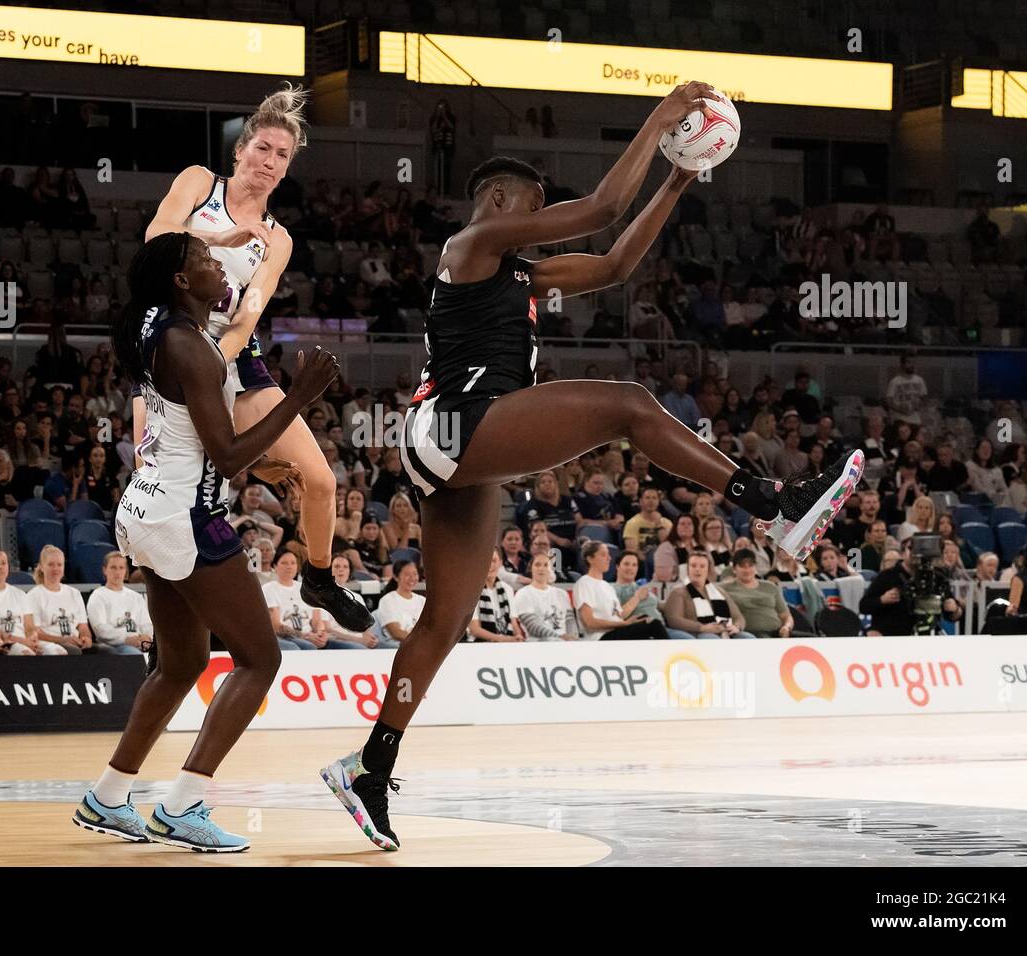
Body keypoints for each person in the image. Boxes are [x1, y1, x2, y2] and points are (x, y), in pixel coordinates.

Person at [320, 89, 866, 848]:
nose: (541, 224)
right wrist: (664, 114)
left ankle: (369, 769)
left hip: (455, 453)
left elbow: (613, 263)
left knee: (443, 624)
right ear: (504, 201)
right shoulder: (471, 247)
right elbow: (605, 205)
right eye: (536, 209)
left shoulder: (524, 277)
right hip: (451, 426)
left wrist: (678, 178)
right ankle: (774, 503)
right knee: (628, 404)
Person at [73, 231, 334, 852]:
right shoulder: (191, 346)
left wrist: (261, 466)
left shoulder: (159, 329)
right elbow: (227, 450)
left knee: (183, 662)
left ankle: (107, 797)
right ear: (182, 283)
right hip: (183, 515)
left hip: (147, 505)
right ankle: (183, 805)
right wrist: (298, 398)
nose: (222, 269)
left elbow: (200, 440)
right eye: (207, 263)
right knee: (260, 659)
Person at [144, 84, 370, 637]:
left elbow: (249, 313)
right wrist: (224, 234)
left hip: (228, 356)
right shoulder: (199, 183)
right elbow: (155, 239)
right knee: (159, 485)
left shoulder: (279, 238)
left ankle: (318, 575)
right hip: (169, 344)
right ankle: (168, 624)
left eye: (282, 156)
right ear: (241, 150)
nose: (269, 162)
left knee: (320, 478)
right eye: (263, 149)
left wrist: (216, 362)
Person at [858, 537, 962, 636]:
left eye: (919, 549)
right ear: (902, 554)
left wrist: (955, 609)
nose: (915, 553)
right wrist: (882, 599)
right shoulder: (887, 576)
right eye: (911, 548)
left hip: (927, 635)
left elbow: (953, 615)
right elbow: (864, 606)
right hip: (892, 635)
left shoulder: (937, 577)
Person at [575, 541, 666, 640]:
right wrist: (624, 623)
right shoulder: (584, 583)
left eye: (609, 555)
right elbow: (590, 622)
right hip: (600, 636)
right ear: (590, 559)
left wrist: (634, 620)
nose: (609, 558)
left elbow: (619, 614)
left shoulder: (607, 586)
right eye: (603, 555)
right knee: (653, 625)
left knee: (647, 620)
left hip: (616, 631)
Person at [26, 545, 92, 656]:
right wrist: (63, 640)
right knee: (73, 652)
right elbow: (34, 632)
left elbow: (83, 626)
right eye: (51, 565)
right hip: (50, 644)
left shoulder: (74, 593)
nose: (56, 569)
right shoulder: (34, 595)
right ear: (42, 567)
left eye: (59, 565)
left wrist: (86, 637)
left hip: (74, 642)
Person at [86, 552, 153, 656]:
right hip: (115, 646)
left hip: (141, 643)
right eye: (113, 567)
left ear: (126, 571)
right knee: (135, 655)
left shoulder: (136, 597)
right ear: (105, 570)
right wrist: (127, 639)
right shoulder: (98, 596)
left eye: (121, 568)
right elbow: (101, 630)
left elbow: (146, 624)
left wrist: (147, 637)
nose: (117, 572)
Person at [719, 548, 793, 639]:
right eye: (742, 566)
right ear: (734, 569)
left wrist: (787, 627)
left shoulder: (770, 586)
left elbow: (786, 615)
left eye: (750, 565)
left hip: (778, 632)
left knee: (810, 638)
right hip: (751, 634)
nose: (747, 570)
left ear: (755, 567)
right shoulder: (724, 588)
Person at [510, 553, 575, 641]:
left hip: (565, 644)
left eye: (546, 565)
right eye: (537, 565)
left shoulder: (562, 594)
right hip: (539, 645)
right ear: (531, 569)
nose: (541, 568)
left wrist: (572, 638)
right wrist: (559, 638)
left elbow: (570, 621)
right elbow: (532, 627)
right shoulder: (523, 594)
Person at [466, 549, 522, 642]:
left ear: (500, 563)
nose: (490, 565)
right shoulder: (472, 590)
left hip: (505, 643)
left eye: (494, 561)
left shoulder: (507, 589)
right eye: (486, 561)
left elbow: (513, 623)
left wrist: (518, 636)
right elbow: (474, 629)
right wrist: (503, 639)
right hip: (478, 645)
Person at [375, 559, 426, 650]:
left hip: (421, 645)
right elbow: (396, 633)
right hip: (397, 648)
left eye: (415, 574)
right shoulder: (387, 600)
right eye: (407, 574)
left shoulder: (422, 600)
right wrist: (420, 642)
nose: (412, 578)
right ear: (396, 577)